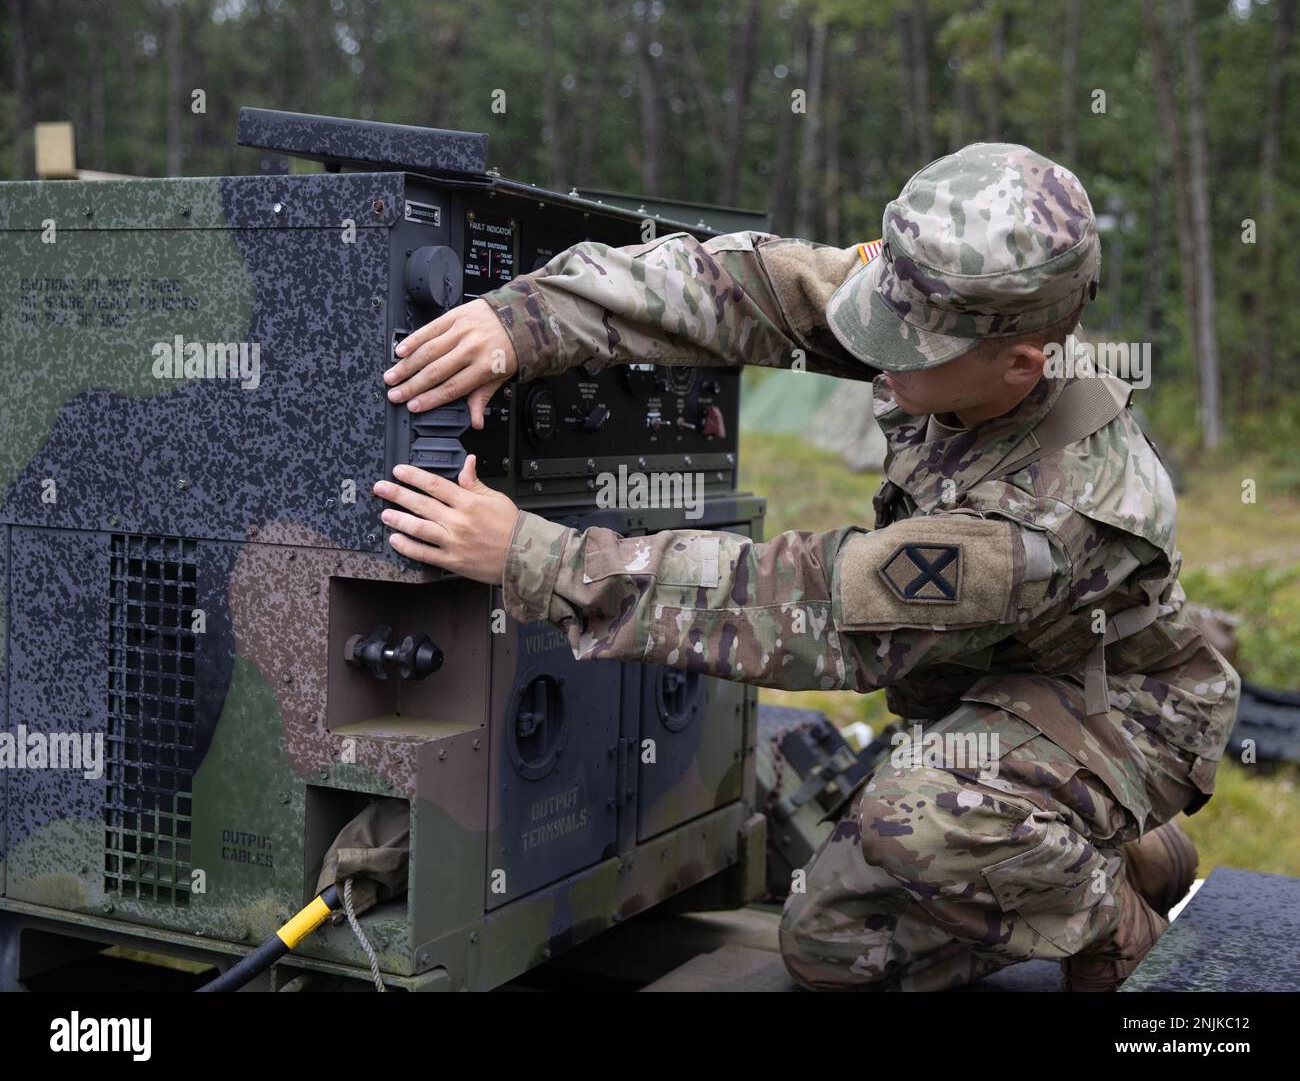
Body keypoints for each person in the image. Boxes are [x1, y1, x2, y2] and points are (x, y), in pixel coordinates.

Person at [372, 143, 1239, 991]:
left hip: (1122, 709)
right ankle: (1102, 839)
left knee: (840, 934)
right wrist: (523, 320)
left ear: (1021, 361)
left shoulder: (1042, 523)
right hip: (1005, 671)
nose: (880, 348)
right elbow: (749, 288)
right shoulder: (957, 317)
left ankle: (1107, 904)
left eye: (911, 346)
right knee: (878, 867)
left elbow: (806, 608)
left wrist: (539, 557)